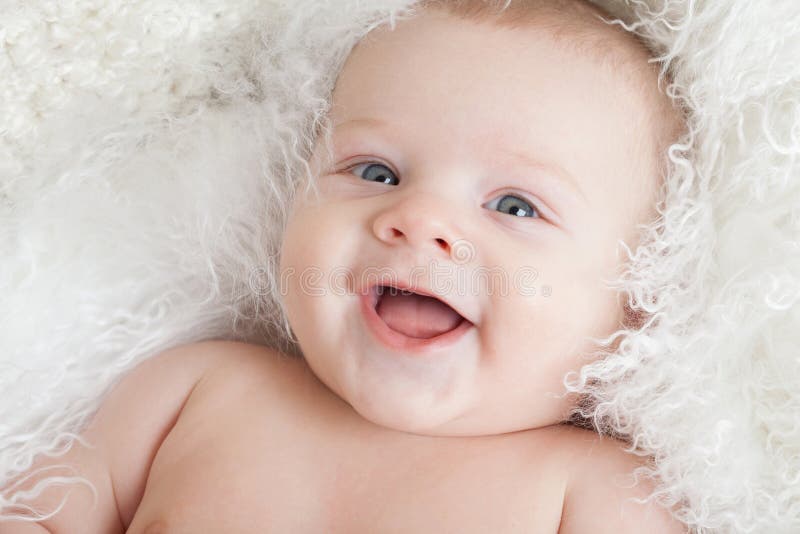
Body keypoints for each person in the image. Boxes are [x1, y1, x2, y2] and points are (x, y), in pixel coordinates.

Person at [0, 0, 687, 531]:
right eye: (377, 171)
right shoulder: (195, 392)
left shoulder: (595, 495)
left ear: (635, 297)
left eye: (514, 206)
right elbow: (35, 514)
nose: (420, 219)